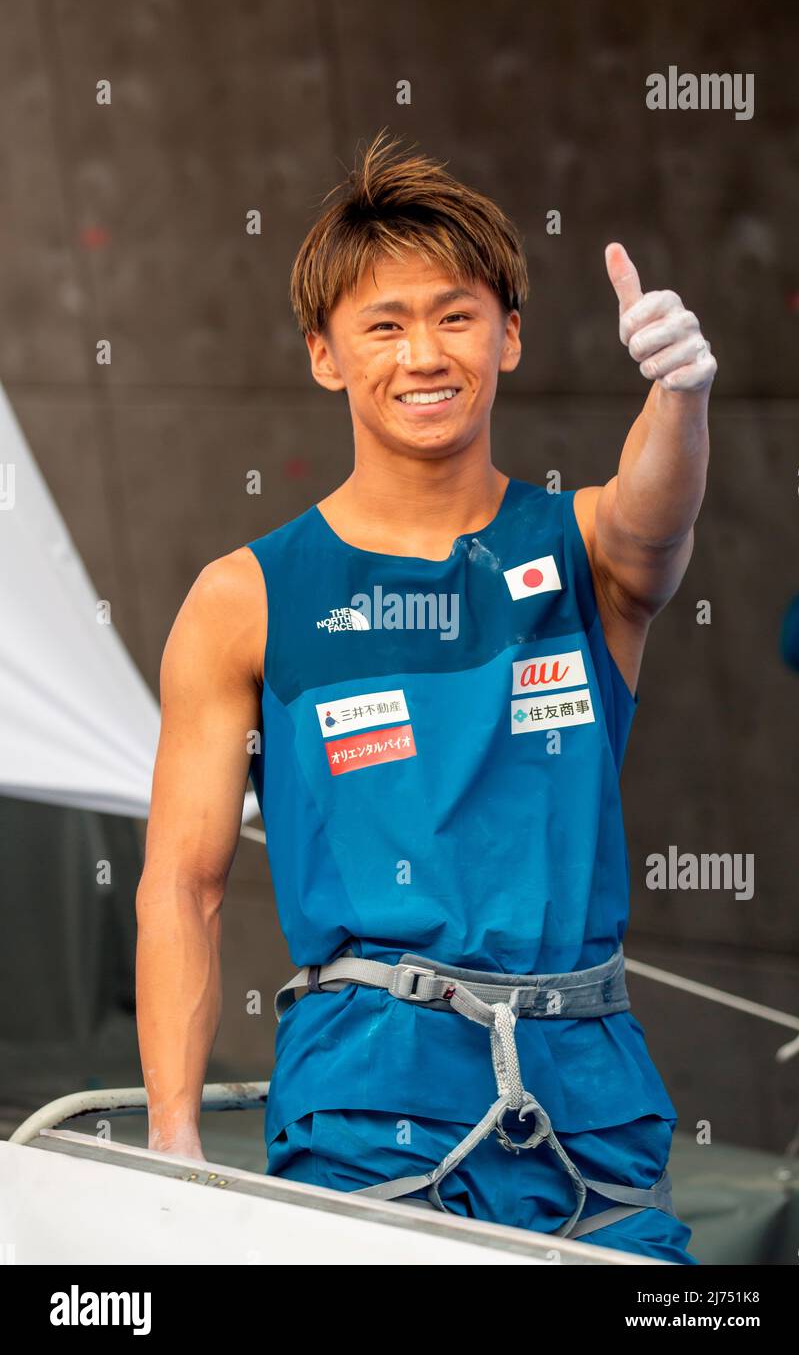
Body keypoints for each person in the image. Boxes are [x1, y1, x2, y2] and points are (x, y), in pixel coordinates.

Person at [136, 130, 717, 1264]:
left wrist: (681, 396)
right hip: (366, 1100)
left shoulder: (583, 549)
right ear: (324, 353)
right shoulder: (245, 598)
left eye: (455, 316)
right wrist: (172, 1137)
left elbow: (656, 518)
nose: (423, 354)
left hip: (590, 1102)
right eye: (383, 324)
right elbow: (181, 887)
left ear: (509, 334)